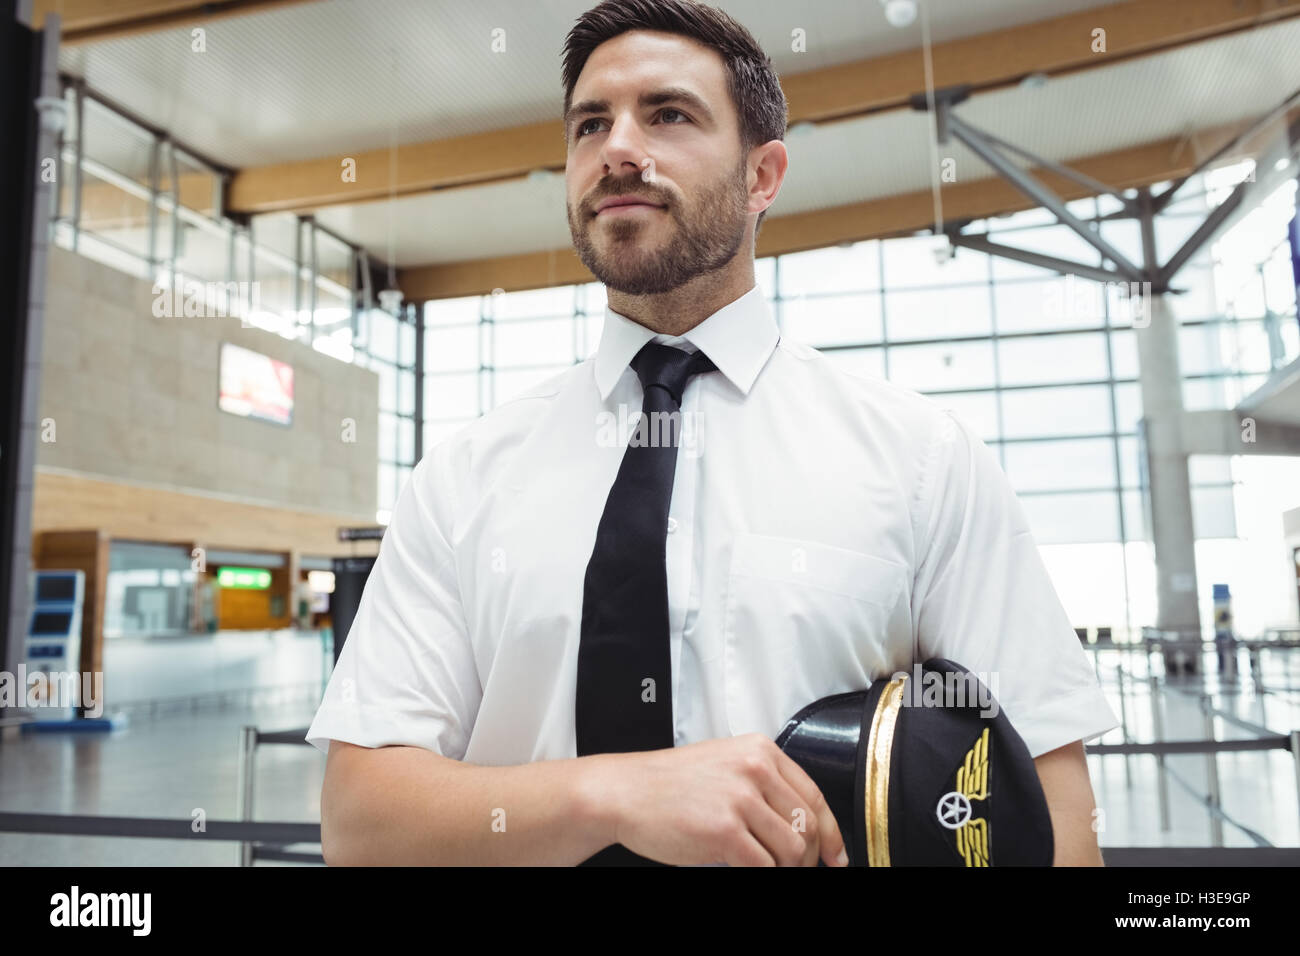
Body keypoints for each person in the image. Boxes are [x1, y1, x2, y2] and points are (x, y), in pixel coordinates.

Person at [307, 0, 1118, 866]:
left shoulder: (919, 459)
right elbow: (359, 822)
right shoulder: (464, 477)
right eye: (590, 125)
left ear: (763, 176)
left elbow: (1053, 809)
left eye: (668, 114)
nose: (618, 147)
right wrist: (612, 796)